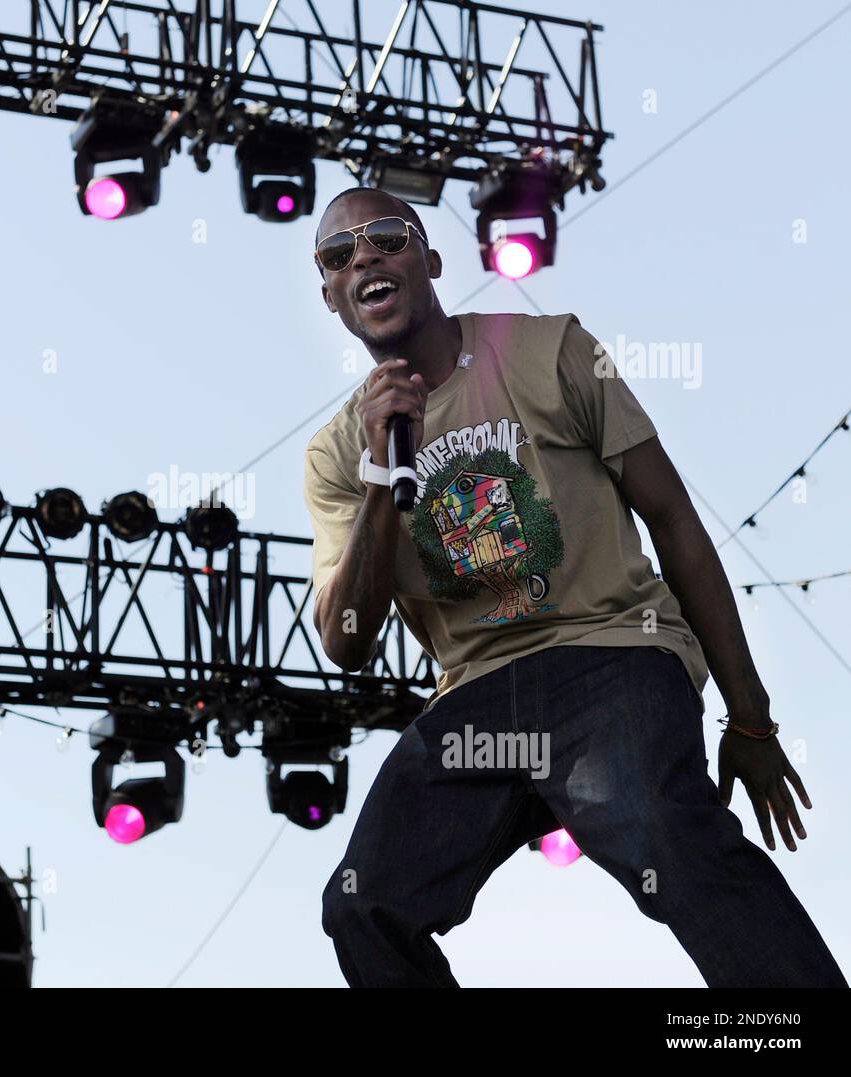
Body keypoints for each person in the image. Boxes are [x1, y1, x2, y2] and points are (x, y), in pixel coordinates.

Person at [304, 184, 847, 988]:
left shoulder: (550, 351)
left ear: (431, 258)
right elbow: (347, 640)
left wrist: (753, 721)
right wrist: (384, 474)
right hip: (476, 699)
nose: (365, 259)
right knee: (362, 904)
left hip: (611, 654)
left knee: (668, 834)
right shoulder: (339, 453)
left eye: (387, 237)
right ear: (331, 295)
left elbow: (676, 525)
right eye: (339, 255)